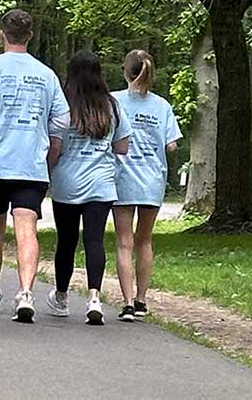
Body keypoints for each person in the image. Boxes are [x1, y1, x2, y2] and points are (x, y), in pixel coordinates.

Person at [0, 9, 69, 323]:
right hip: (30, 165)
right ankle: (25, 292)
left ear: (2, 34)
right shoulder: (46, 75)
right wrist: (50, 154)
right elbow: (61, 120)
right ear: (30, 36)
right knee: (27, 230)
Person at [46, 51, 132, 325]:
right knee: (94, 240)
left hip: (67, 183)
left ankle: (61, 296)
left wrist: (48, 170)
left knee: (66, 241)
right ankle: (94, 298)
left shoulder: (63, 105)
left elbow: (55, 145)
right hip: (101, 184)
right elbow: (123, 146)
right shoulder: (112, 106)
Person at [112, 50, 182, 322]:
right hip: (152, 179)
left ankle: (127, 303)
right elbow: (171, 145)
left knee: (124, 242)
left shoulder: (114, 101)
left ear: (125, 71)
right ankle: (142, 299)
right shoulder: (162, 106)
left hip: (122, 178)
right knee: (144, 240)